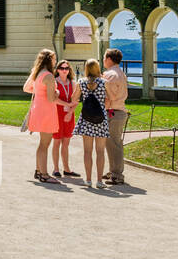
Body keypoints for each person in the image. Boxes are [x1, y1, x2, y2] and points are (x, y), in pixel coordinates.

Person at [24, 48, 61, 183]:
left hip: (38, 109)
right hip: (47, 111)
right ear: (49, 60)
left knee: (42, 144)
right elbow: (52, 98)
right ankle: (44, 174)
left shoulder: (37, 73)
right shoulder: (49, 76)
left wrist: (39, 92)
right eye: (54, 58)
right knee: (45, 144)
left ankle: (39, 170)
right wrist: (56, 92)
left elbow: (26, 88)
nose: (55, 61)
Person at [74, 59, 111, 188]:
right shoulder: (104, 83)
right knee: (100, 151)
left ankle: (88, 179)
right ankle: (99, 181)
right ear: (97, 68)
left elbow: (74, 98)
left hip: (86, 120)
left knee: (87, 151)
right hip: (101, 120)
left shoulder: (81, 82)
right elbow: (109, 101)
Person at [102, 48, 130, 185]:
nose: (102, 60)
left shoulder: (110, 75)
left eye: (104, 58)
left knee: (114, 143)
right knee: (113, 143)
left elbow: (108, 96)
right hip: (118, 111)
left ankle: (117, 174)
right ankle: (114, 170)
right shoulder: (120, 73)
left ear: (108, 59)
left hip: (113, 111)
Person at [51, 59, 79, 179]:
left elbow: (76, 101)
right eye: (62, 68)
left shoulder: (73, 83)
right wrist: (67, 105)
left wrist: (70, 111)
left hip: (69, 115)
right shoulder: (54, 82)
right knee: (57, 142)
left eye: (66, 68)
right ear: (57, 70)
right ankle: (56, 169)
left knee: (66, 143)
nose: (64, 70)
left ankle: (67, 169)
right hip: (57, 114)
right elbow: (54, 99)